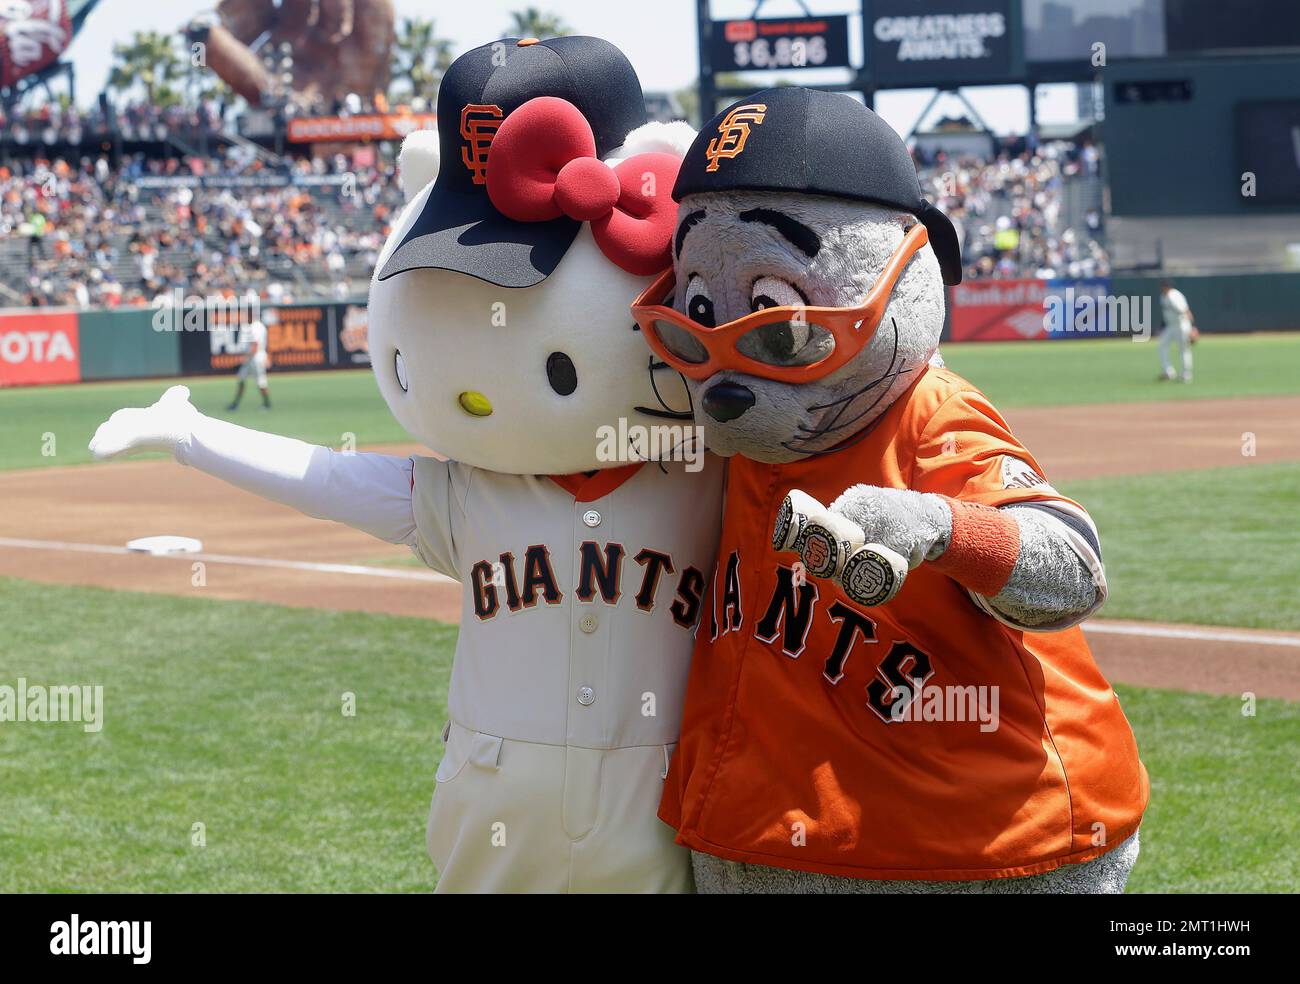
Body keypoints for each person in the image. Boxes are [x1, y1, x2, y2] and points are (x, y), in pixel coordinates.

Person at [227, 314, 271, 411]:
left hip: (255, 358)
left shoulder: (256, 327)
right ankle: (235, 403)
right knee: (242, 379)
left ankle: (267, 404)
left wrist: (246, 357)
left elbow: (255, 345)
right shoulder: (257, 326)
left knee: (260, 382)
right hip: (254, 356)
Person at [1158, 280, 1196, 382]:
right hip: (1170, 326)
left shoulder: (1174, 296)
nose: (1161, 289)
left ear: (1167, 287)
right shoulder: (1163, 297)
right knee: (1162, 345)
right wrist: (1161, 327)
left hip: (1181, 325)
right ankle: (1168, 372)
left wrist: (1193, 327)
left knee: (1183, 349)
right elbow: (1166, 314)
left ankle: (1186, 374)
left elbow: (1186, 310)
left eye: (1163, 287)